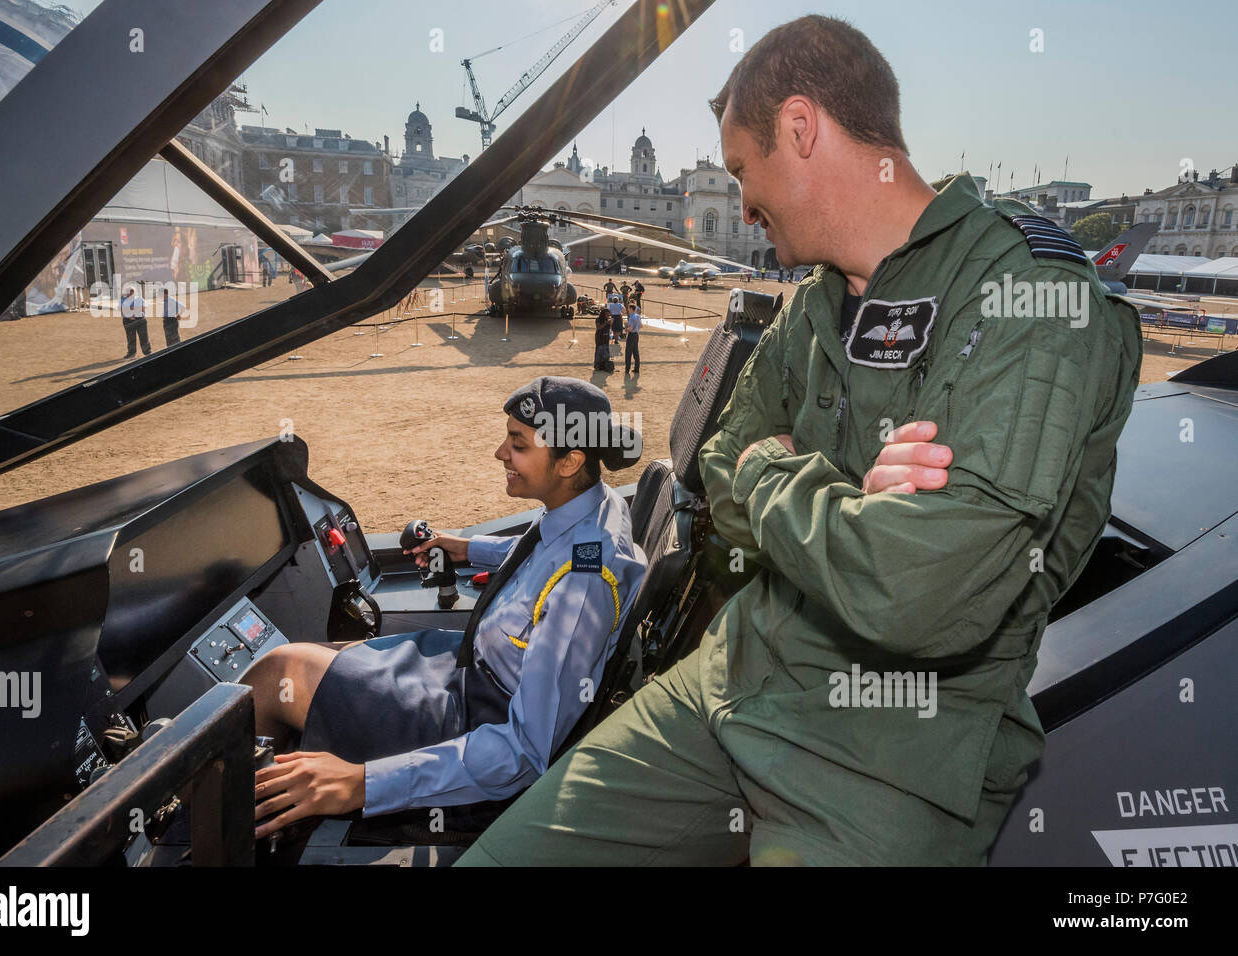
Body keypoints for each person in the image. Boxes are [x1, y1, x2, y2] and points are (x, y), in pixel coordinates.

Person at [459, 14, 1141, 867]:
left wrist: (775, 471)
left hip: (886, 768)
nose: (740, 200)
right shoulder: (818, 300)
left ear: (801, 128)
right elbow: (717, 466)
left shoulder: (1029, 296)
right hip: (735, 681)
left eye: (743, 168)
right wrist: (843, 505)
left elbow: (919, 591)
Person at [250, 377, 645, 837]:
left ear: (569, 461)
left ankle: (238, 833)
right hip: (466, 670)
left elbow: (523, 751)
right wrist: (469, 548)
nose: (501, 452)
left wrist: (362, 783)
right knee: (329, 652)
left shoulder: (585, 584)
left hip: (476, 717)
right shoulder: (593, 506)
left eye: (517, 444)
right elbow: (546, 548)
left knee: (281, 670)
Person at [119, 285, 151, 358]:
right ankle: (131, 353)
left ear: (134, 292)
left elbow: (142, 310)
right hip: (128, 321)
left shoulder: (140, 299)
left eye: (131, 292)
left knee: (144, 337)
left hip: (140, 320)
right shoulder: (122, 300)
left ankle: (147, 352)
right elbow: (123, 311)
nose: (130, 294)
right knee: (130, 338)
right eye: (129, 292)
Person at [624, 302, 642, 375]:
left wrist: (626, 328)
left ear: (631, 309)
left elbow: (630, 329)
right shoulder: (638, 316)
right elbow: (641, 326)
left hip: (631, 335)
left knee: (628, 353)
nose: (628, 309)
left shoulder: (632, 317)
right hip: (636, 335)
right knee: (636, 352)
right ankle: (636, 368)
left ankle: (627, 370)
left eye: (628, 308)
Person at [594, 307, 613, 371]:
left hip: (606, 337)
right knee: (599, 351)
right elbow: (598, 327)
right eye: (607, 315)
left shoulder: (607, 320)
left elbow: (610, 329)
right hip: (599, 337)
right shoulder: (598, 319)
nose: (608, 316)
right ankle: (597, 366)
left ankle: (604, 366)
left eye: (609, 315)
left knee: (606, 352)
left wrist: (610, 323)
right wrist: (605, 323)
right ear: (603, 314)